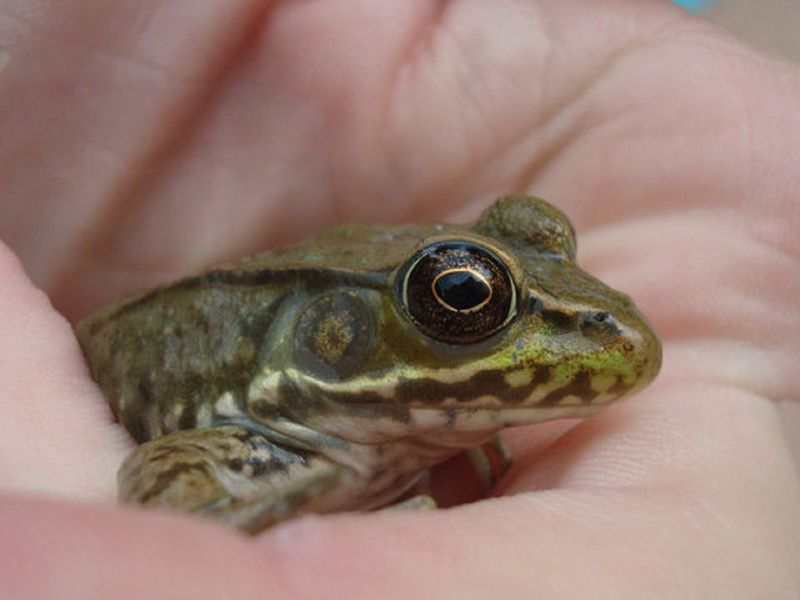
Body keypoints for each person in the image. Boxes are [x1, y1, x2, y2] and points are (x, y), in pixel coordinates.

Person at [0, 1, 798, 598]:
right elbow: (165, 489)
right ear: (335, 335)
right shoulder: (270, 429)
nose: (594, 321)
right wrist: (322, 505)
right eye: (463, 298)